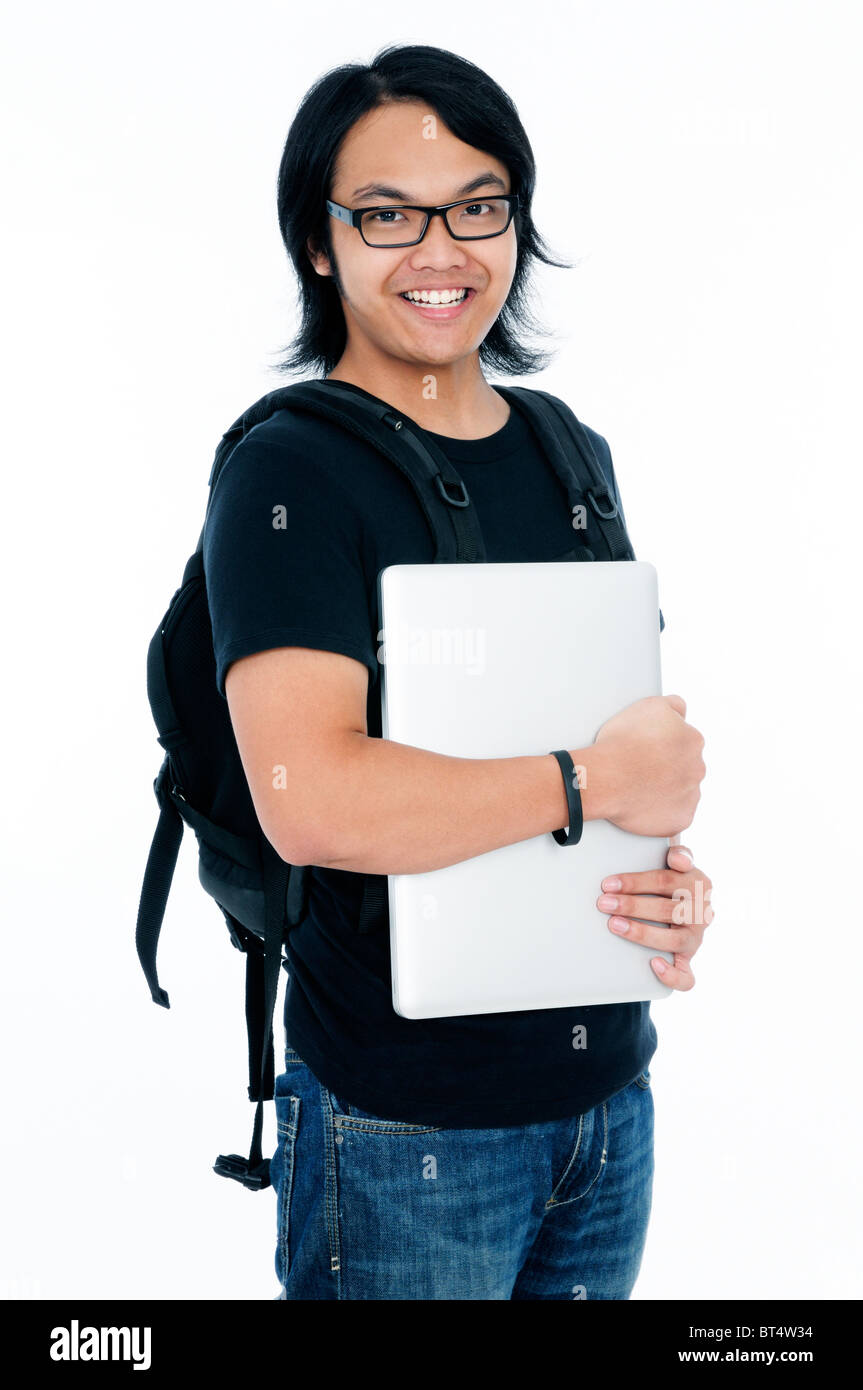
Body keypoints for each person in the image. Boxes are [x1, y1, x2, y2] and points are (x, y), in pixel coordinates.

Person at [203, 43, 713, 1301]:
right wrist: (599, 781)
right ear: (318, 244)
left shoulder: (567, 448)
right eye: (386, 215)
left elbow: (590, 754)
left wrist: (661, 884)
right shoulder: (289, 473)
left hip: (605, 1102)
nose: (441, 250)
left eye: (477, 207)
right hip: (401, 1125)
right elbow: (309, 799)